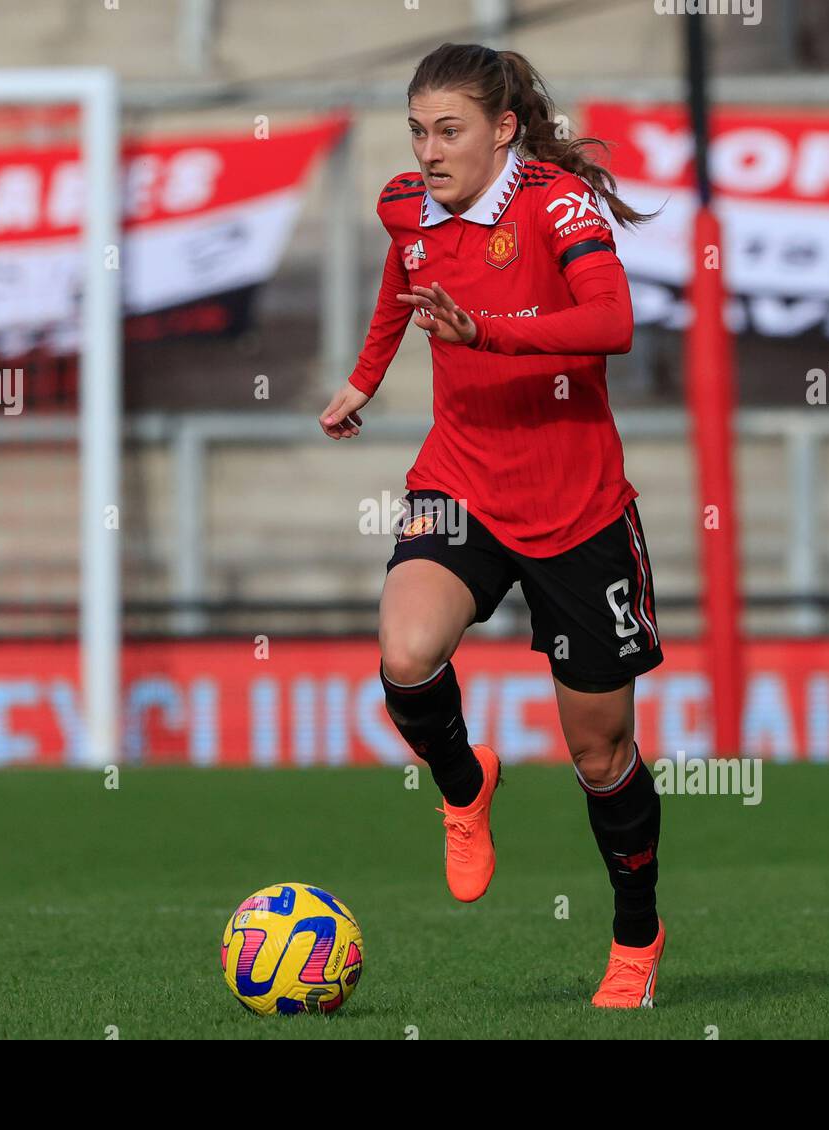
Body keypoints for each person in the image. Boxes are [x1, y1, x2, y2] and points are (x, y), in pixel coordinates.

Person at [319, 42, 665, 1008]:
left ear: (502, 131)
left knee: (599, 753)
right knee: (405, 651)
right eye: (418, 131)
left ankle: (636, 935)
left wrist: (491, 333)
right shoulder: (406, 205)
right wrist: (365, 376)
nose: (429, 151)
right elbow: (404, 275)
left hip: (576, 506)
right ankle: (466, 784)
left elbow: (613, 321)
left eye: (450, 131)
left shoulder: (558, 203)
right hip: (461, 479)